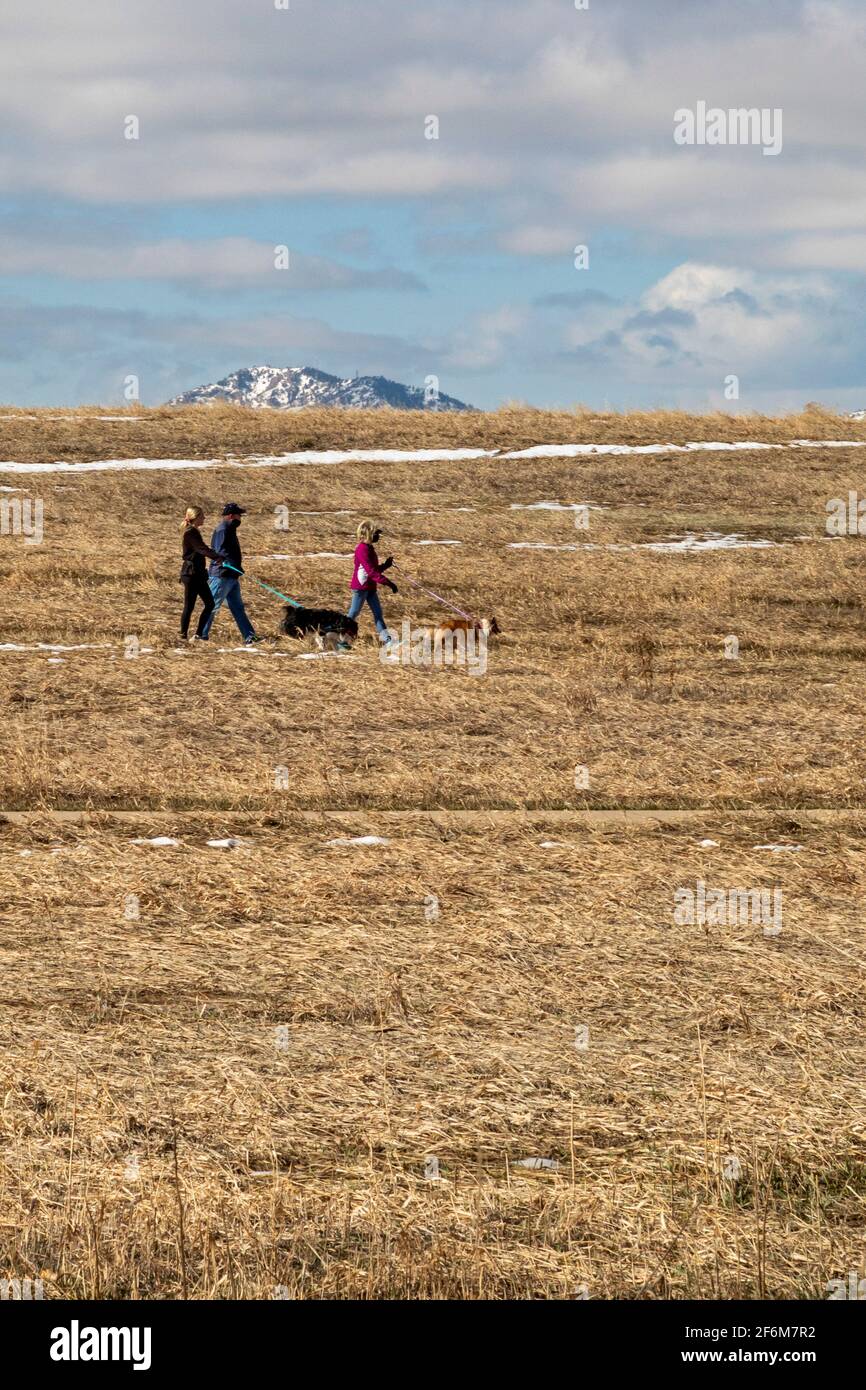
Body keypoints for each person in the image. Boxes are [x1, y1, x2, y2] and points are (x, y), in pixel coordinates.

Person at [201, 502, 263, 645]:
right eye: (238, 515)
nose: (240, 518)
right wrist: (231, 565)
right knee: (211, 606)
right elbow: (220, 552)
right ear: (230, 516)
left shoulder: (229, 529)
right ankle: (201, 635)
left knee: (238, 608)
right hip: (222, 575)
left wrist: (236, 567)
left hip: (231, 577)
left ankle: (250, 637)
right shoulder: (223, 529)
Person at [348, 520, 397, 642]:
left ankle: (388, 641)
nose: (378, 536)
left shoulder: (369, 548)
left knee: (378, 614)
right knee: (353, 614)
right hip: (360, 588)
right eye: (375, 534)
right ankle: (340, 638)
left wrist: (385, 565)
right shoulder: (362, 549)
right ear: (368, 534)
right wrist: (388, 582)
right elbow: (371, 572)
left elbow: (373, 570)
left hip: (370, 587)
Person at [179, 506, 220, 641]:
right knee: (190, 606)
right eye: (202, 516)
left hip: (198, 575)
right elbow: (201, 549)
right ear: (195, 518)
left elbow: (202, 549)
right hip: (191, 575)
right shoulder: (190, 533)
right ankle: (183, 636)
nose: (204, 518)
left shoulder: (193, 531)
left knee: (210, 604)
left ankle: (198, 634)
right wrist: (218, 558)